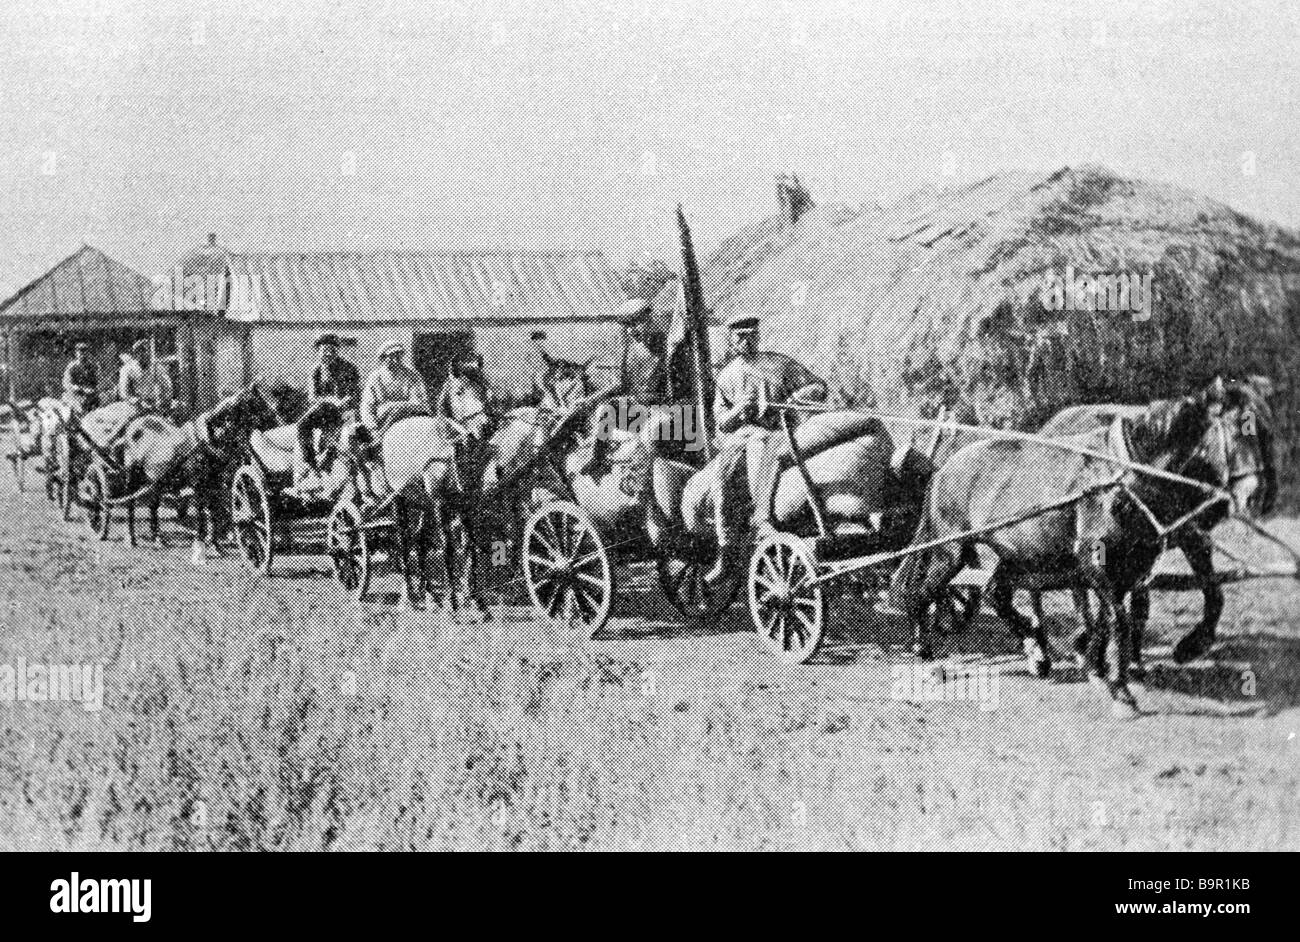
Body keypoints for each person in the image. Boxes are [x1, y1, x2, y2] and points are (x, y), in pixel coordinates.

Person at [706, 314, 828, 584]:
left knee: (767, 441)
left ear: (758, 336)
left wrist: (792, 399)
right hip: (742, 436)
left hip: (783, 430)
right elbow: (721, 422)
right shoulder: (726, 376)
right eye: (740, 337)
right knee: (720, 480)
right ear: (731, 340)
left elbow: (818, 386)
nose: (746, 341)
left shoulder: (778, 363)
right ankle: (728, 549)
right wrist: (738, 411)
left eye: (751, 335)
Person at [579, 298, 669, 479]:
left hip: (664, 409)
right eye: (627, 326)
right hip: (639, 409)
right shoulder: (631, 348)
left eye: (636, 324)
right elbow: (620, 383)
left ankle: (645, 480)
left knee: (650, 435)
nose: (631, 330)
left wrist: (649, 400)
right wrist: (591, 399)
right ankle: (598, 461)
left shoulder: (667, 346)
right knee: (605, 411)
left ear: (649, 319)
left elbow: (675, 388)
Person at [293, 334, 361, 494]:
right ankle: (312, 465)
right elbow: (312, 397)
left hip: (346, 410)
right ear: (318, 352)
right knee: (302, 425)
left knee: (349, 436)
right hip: (325, 411)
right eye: (324, 351)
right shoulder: (316, 371)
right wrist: (330, 400)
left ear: (337, 351)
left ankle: (355, 474)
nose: (328, 354)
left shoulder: (349, 368)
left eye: (331, 350)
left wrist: (344, 401)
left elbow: (356, 392)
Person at [360, 340, 431, 434]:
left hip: (409, 420)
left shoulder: (412, 375)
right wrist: (372, 428)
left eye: (398, 356)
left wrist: (393, 406)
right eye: (391, 357)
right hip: (382, 423)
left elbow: (418, 402)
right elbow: (367, 405)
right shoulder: (375, 377)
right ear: (383, 358)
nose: (396, 360)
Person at [118, 340, 173, 412]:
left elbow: (167, 386)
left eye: (147, 351)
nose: (145, 354)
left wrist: (164, 400)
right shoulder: (127, 369)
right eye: (141, 351)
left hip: (154, 404)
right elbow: (123, 392)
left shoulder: (156, 367)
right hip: (134, 405)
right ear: (136, 354)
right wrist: (135, 401)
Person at [61, 341, 100, 416]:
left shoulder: (93, 366)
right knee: (77, 412)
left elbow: (98, 381)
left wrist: (94, 389)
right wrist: (80, 389)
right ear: (76, 353)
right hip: (75, 396)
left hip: (90, 396)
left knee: (98, 412)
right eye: (80, 352)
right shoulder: (72, 367)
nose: (83, 354)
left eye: (85, 351)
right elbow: (66, 384)